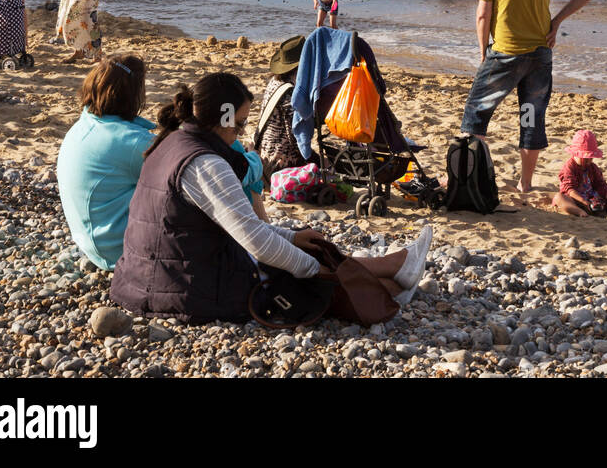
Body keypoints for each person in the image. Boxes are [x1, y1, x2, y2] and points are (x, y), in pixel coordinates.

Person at [110, 73, 433, 327]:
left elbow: (239, 223)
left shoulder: (173, 141)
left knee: (304, 251)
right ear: (224, 118)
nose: (240, 132)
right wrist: (315, 271)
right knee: (316, 275)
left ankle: (394, 268)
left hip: (147, 278)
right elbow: (255, 240)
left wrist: (293, 238)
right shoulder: (206, 164)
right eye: (240, 123)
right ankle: (392, 273)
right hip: (188, 291)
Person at [460, 0, 596, 200]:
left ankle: (473, 177)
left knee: (476, 114)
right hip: (539, 53)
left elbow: (483, 15)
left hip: (504, 51)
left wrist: (483, 51)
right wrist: (556, 22)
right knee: (530, 117)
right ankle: (525, 183)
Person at [57, 54, 156, 269]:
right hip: (120, 251)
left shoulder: (85, 125)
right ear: (134, 96)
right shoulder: (132, 141)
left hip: (94, 242)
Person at [254, 35, 309, 179]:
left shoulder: (274, 82)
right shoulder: (290, 94)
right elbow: (295, 137)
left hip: (263, 159)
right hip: (279, 167)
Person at [553, 129, 607, 217]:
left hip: (593, 198)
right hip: (576, 199)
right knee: (559, 198)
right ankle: (579, 212)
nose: (589, 161)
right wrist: (582, 201)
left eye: (591, 158)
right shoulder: (569, 167)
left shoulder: (592, 167)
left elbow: (600, 183)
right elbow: (569, 189)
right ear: (575, 154)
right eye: (585, 159)